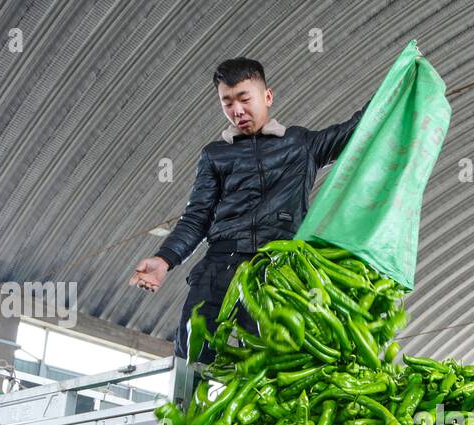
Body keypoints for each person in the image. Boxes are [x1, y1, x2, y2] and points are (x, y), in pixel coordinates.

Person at [129, 57, 366, 360]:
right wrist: (164, 259)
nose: (236, 110)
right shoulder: (215, 156)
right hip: (219, 266)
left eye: (244, 99)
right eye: (226, 102)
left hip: (276, 270)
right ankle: (187, 406)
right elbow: (196, 217)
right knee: (192, 352)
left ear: (267, 96)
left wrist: (396, 83)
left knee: (269, 358)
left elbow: (355, 130)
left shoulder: (299, 144)